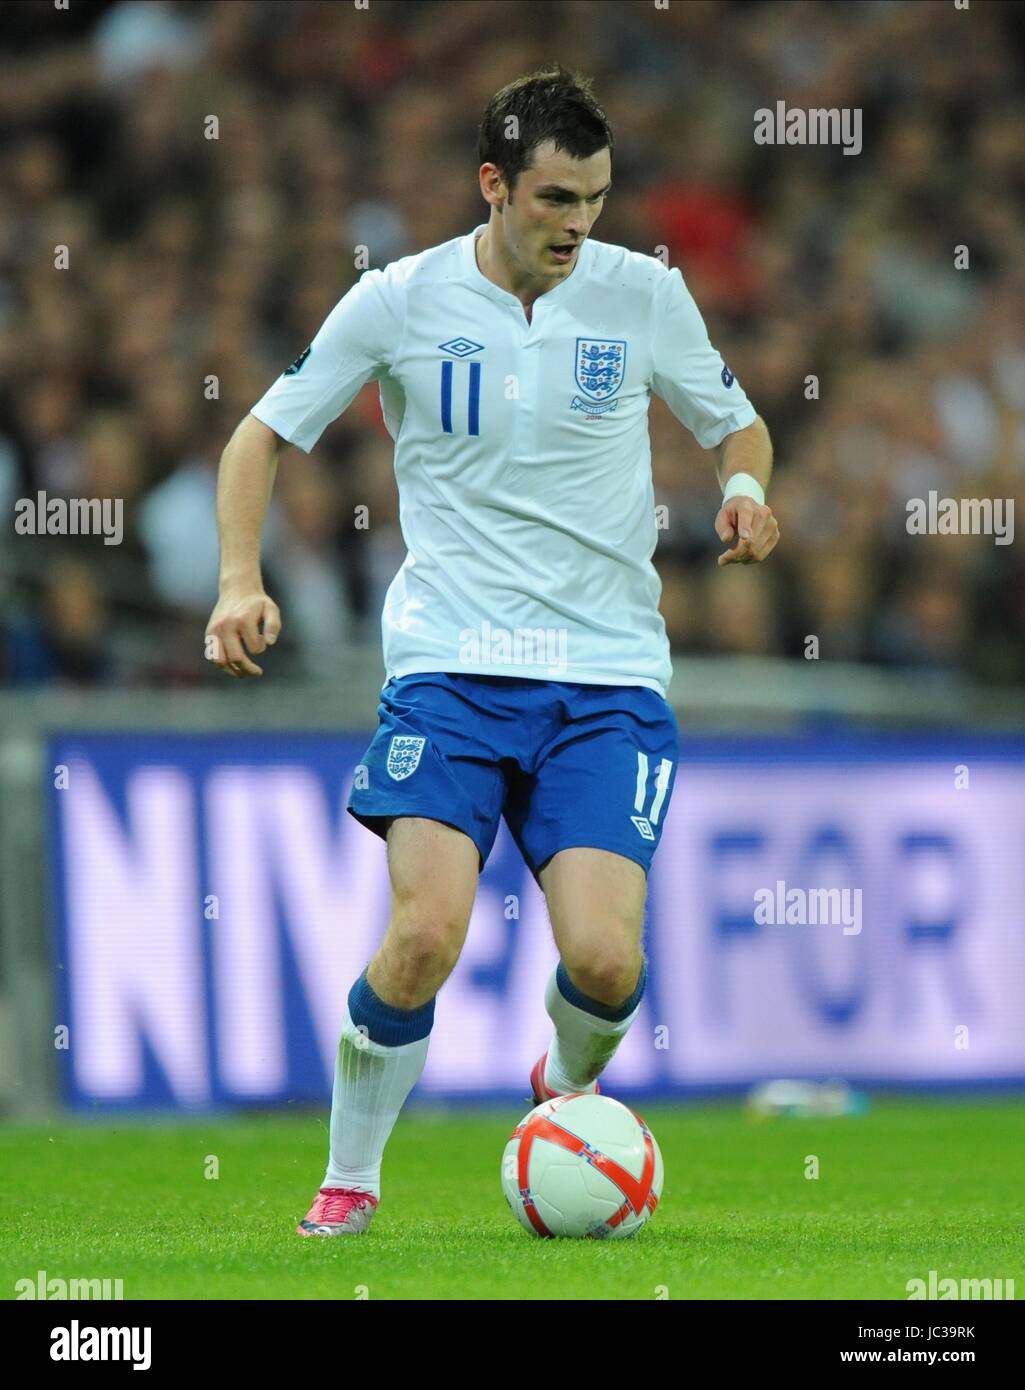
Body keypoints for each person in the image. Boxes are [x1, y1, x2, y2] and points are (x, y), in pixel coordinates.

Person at [204, 65, 779, 1237]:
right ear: (492, 184)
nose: (578, 225)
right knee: (421, 936)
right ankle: (350, 1179)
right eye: (556, 199)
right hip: (452, 670)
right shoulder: (397, 301)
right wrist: (236, 580)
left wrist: (742, 488)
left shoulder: (642, 297)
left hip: (606, 675)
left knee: (608, 963)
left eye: (595, 201)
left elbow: (736, 419)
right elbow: (259, 435)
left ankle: (557, 1099)